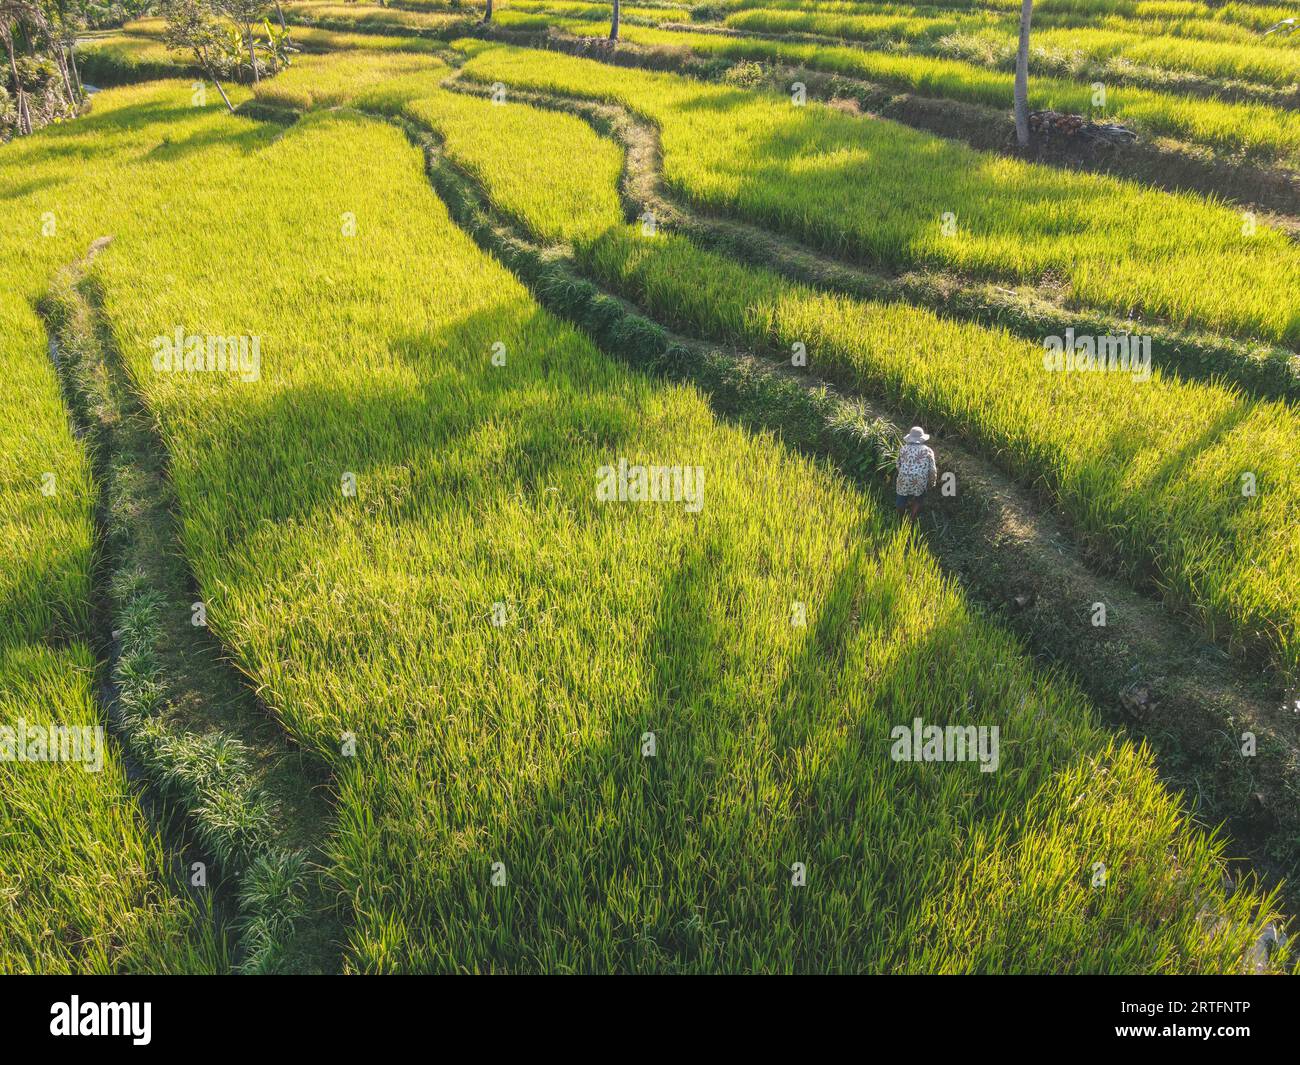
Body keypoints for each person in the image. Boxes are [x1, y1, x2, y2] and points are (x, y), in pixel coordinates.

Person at [895, 425, 937, 521]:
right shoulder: (928, 450)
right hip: (919, 479)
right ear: (922, 439)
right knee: (919, 498)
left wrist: (905, 474)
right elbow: (932, 469)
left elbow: (898, 464)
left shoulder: (903, 449)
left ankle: (900, 519)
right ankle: (912, 519)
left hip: (903, 477)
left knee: (901, 497)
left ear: (910, 438)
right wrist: (932, 482)